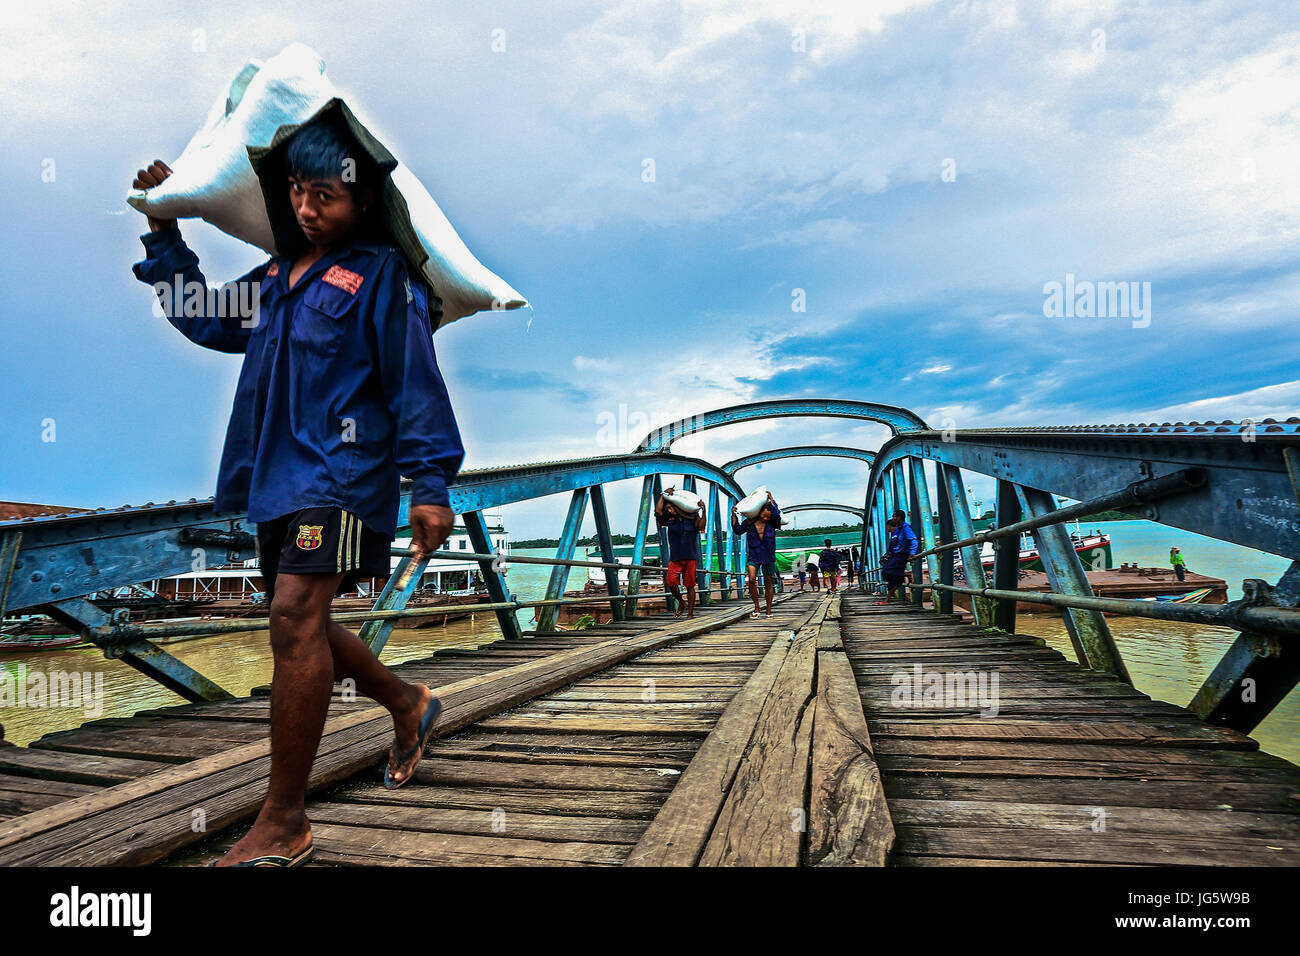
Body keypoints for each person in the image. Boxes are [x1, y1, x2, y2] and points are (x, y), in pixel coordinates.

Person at [131, 117, 464, 867]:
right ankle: (410, 703)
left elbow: (414, 382)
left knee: (291, 616)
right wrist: (162, 233)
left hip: (343, 478)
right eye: (297, 192)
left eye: (326, 196)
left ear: (361, 205)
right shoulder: (276, 278)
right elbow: (202, 319)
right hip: (274, 478)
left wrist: (431, 481)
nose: (309, 209)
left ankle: (284, 821)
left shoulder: (383, 279)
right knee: (297, 626)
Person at [655, 487, 706, 619]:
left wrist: (704, 510)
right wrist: (663, 495)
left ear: (678, 506)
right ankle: (682, 602)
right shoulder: (669, 519)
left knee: (690, 585)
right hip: (675, 556)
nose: (669, 510)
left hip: (690, 556)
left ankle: (690, 613)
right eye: (667, 509)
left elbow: (701, 527)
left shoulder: (692, 517)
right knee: (671, 582)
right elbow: (657, 512)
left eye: (671, 508)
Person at [732, 491, 782, 617]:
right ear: (759, 512)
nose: (765, 519)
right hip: (754, 554)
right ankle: (757, 607)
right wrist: (733, 516)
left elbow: (777, 515)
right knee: (752, 580)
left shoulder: (773, 522)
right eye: (763, 516)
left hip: (768, 555)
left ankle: (769, 609)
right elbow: (738, 530)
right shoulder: (748, 523)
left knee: (768, 581)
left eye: (767, 517)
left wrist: (771, 499)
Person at [880, 518, 912, 601]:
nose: (886, 528)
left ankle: (906, 574)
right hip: (894, 557)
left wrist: (909, 553)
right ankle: (888, 599)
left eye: (886, 526)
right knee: (895, 580)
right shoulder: (894, 534)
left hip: (899, 557)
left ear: (889, 526)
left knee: (885, 572)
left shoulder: (898, 533)